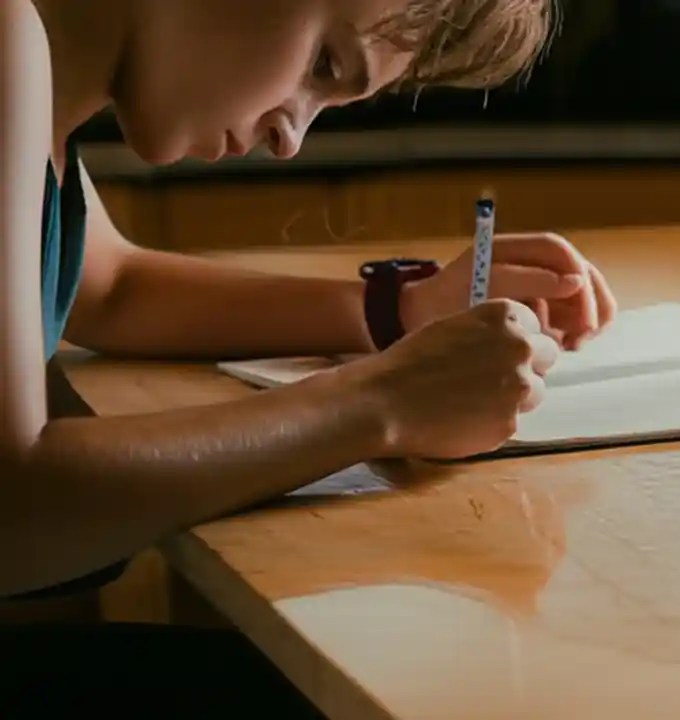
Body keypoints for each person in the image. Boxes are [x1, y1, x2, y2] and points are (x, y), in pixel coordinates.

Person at [0, 0, 612, 715]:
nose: (291, 135)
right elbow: (15, 501)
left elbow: (108, 285)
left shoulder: (46, 71)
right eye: (323, 63)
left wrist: (400, 312)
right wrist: (382, 403)